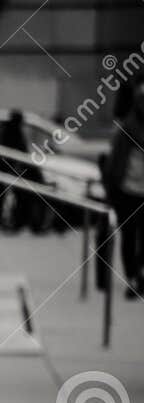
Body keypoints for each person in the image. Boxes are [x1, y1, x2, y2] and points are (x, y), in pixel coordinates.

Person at [103, 75, 144, 298]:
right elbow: (114, 164)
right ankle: (133, 277)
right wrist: (112, 190)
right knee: (129, 236)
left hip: (131, 191)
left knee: (134, 237)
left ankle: (137, 275)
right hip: (128, 192)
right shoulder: (126, 130)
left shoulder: (126, 128)